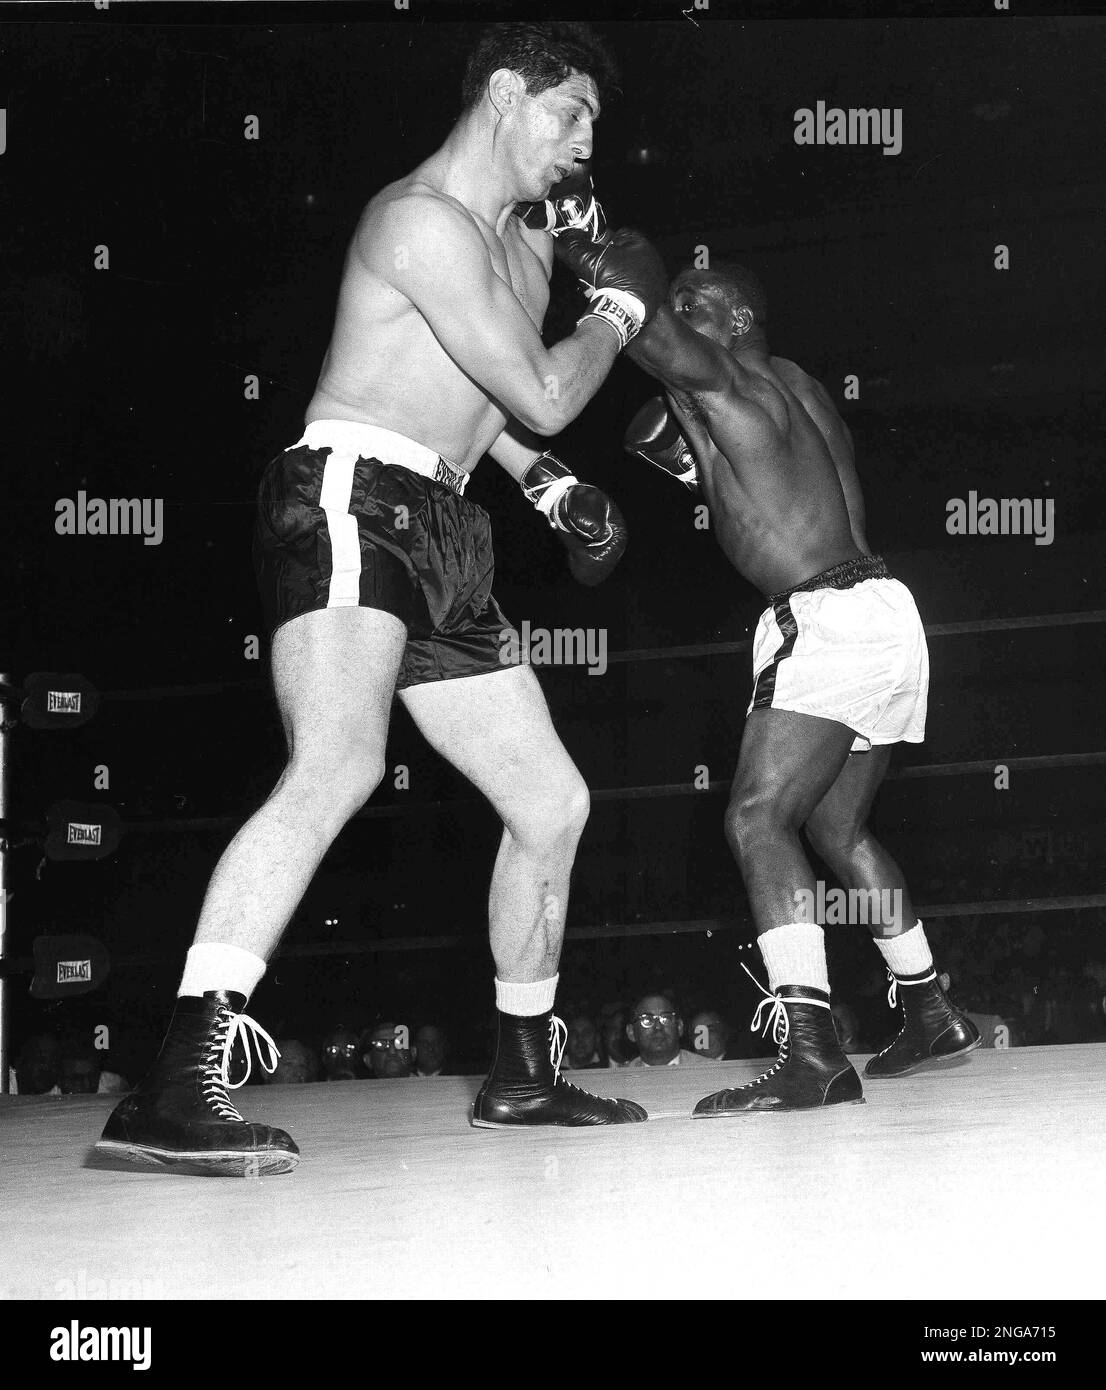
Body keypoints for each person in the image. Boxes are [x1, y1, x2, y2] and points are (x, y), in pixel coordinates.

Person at [97, 23, 666, 1174]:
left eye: (593, 127)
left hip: (448, 520)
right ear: (504, 94)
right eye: (569, 116)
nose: (583, 145)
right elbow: (552, 389)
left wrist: (544, 486)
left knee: (550, 801)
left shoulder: (526, 248)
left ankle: (520, 1073)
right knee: (337, 763)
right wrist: (620, 317)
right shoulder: (414, 221)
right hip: (351, 492)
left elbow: (492, 396)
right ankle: (175, 1081)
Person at [563, 248, 980, 1113]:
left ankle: (814, 1054)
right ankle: (931, 1005)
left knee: (756, 816)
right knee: (837, 828)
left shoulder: (729, 379)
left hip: (821, 618)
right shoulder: (798, 386)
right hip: (889, 614)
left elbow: (649, 331)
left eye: (695, 301)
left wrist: (589, 247)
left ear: (739, 321)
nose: (678, 310)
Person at [625, 994, 711, 1068]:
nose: (658, 1027)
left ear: (679, 1027)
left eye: (666, 1018)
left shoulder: (710, 1071)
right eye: (647, 1020)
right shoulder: (618, 1079)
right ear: (631, 1032)